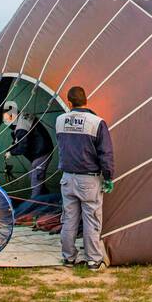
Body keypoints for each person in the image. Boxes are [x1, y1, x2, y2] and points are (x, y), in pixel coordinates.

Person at [54, 86, 114, 271]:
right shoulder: (97, 123)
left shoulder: (60, 121)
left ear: (69, 102)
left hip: (67, 178)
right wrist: (109, 176)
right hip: (89, 179)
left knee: (69, 219)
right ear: (86, 100)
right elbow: (106, 153)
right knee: (91, 220)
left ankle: (68, 258)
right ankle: (93, 260)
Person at [8, 108, 58, 222]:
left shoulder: (21, 127)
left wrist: (10, 152)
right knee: (35, 179)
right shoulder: (23, 118)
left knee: (36, 183)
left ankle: (30, 213)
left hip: (41, 152)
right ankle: (47, 204)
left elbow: (22, 146)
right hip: (41, 151)